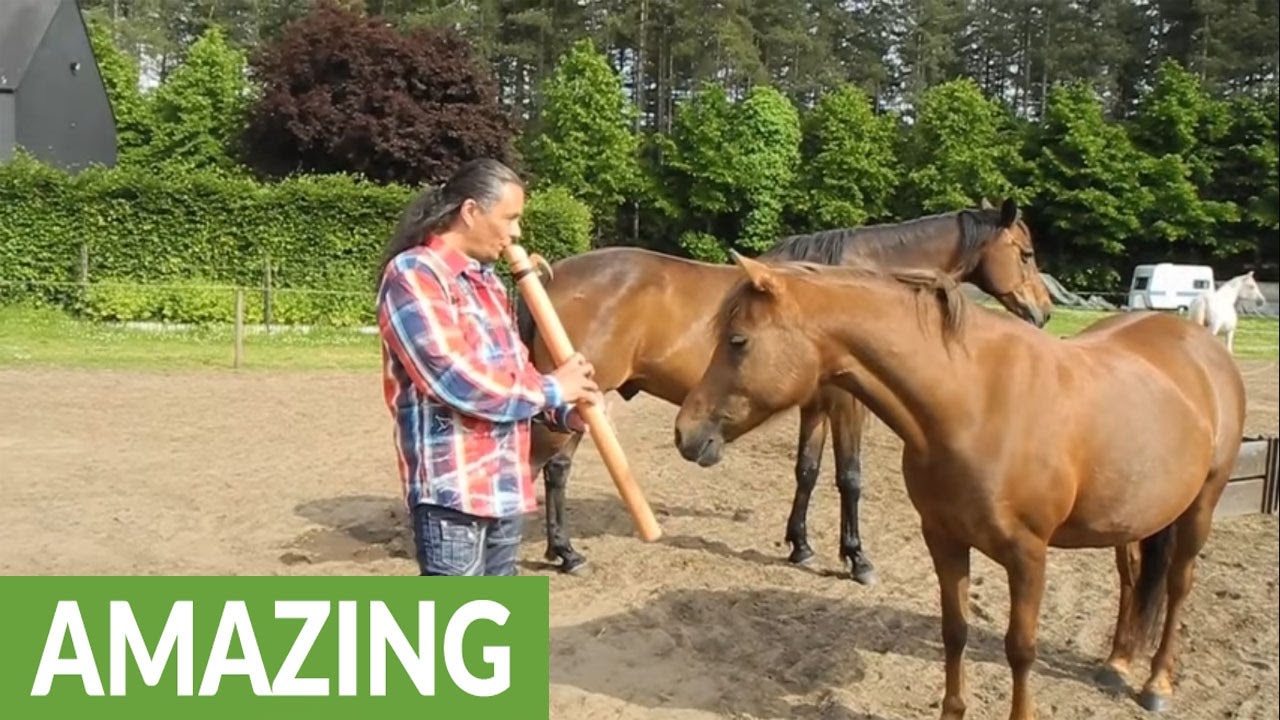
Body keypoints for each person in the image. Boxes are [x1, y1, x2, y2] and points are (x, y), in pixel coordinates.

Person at [375, 158, 601, 577]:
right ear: (471, 211)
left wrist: (567, 412)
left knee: (499, 636)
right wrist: (553, 389)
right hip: (454, 496)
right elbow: (453, 377)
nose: (517, 232)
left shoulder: (489, 283)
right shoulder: (414, 274)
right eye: (510, 218)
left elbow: (517, 373)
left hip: (505, 488)